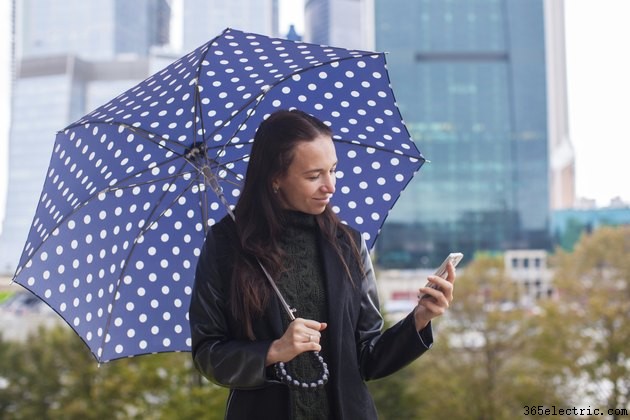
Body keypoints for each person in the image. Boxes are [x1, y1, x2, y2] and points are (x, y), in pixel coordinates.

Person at [188, 109, 456, 419]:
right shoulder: (226, 245)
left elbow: (368, 358)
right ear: (275, 178)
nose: (330, 186)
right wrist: (273, 351)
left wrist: (420, 319)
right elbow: (209, 353)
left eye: (333, 170)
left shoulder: (348, 244)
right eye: (313, 176)